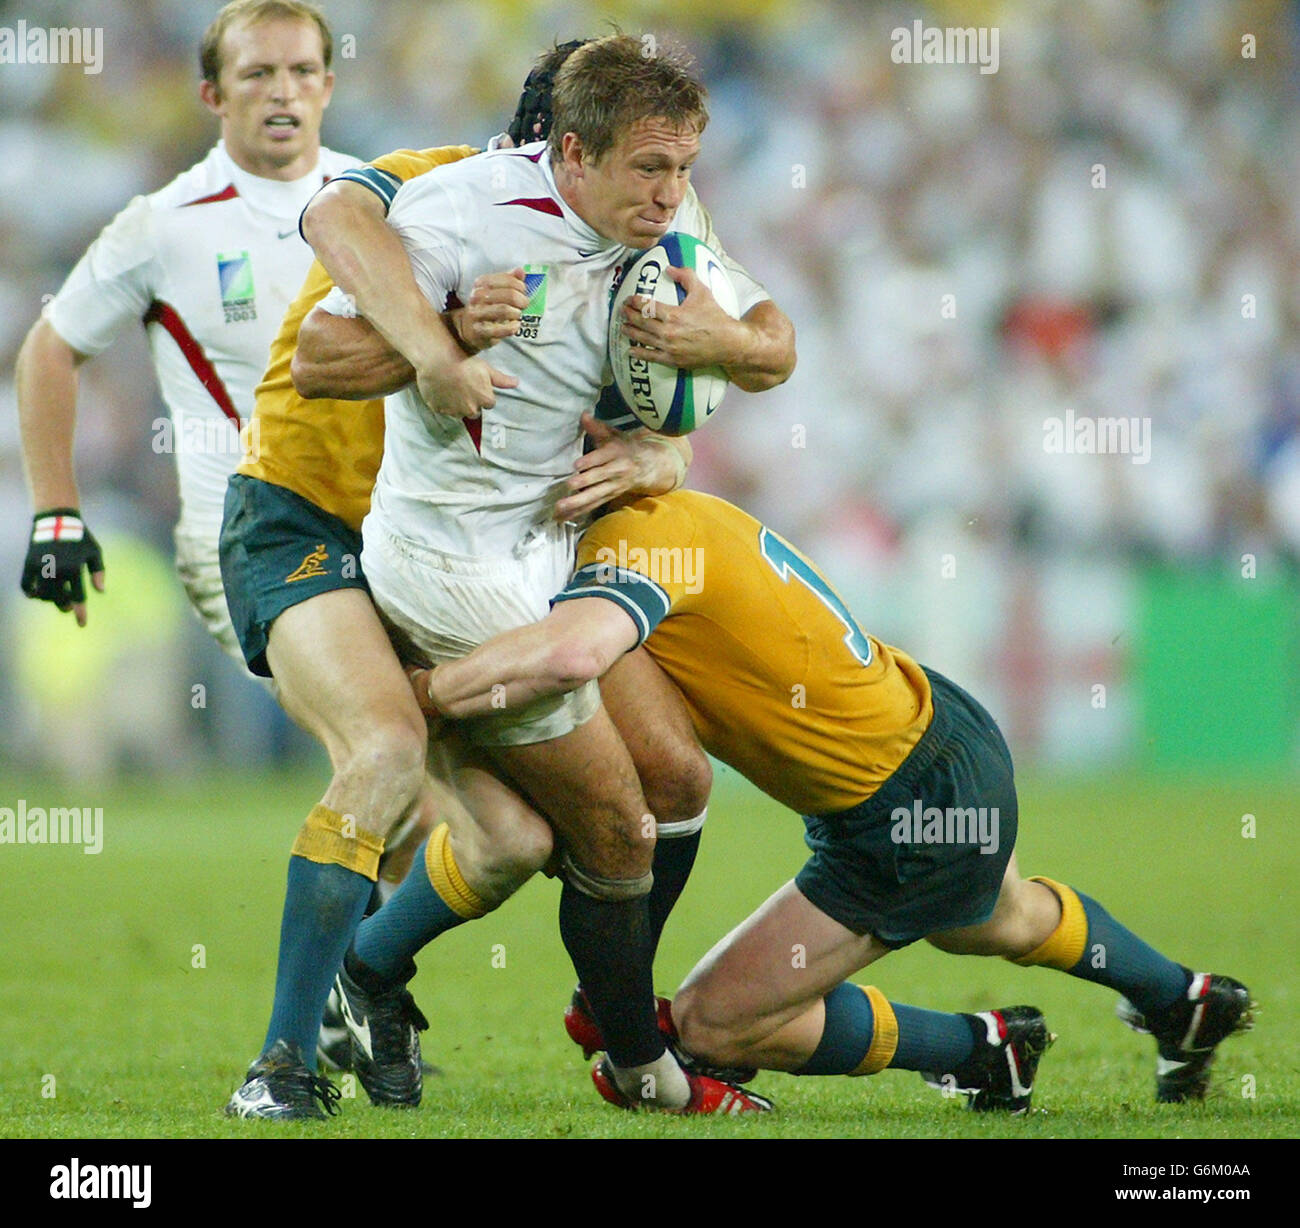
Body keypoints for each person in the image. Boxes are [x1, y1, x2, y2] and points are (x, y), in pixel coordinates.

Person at [219, 42, 725, 1119]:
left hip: (482, 552)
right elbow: (324, 337)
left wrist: (666, 452)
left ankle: (368, 978)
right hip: (304, 521)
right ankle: (279, 1064)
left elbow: (680, 388)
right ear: (558, 145)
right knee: (389, 750)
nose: (666, 190)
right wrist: (446, 342)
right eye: (642, 163)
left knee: (523, 836)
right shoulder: (433, 193)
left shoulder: (636, 224)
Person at [407, 489, 1255, 1113]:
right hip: (942, 732)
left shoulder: (626, 545)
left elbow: (575, 654)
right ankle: (1181, 999)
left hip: (900, 807)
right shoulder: (680, 503)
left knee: (709, 1025)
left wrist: (428, 691)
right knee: (994, 918)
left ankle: (983, 1051)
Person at [16, 0, 352, 667]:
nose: (283, 90)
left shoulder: (380, 198)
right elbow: (48, 347)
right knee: (388, 734)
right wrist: (57, 516)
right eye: (257, 73)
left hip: (371, 519)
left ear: (327, 85)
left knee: (457, 745)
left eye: (302, 70)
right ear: (212, 95)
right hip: (246, 534)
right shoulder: (165, 222)